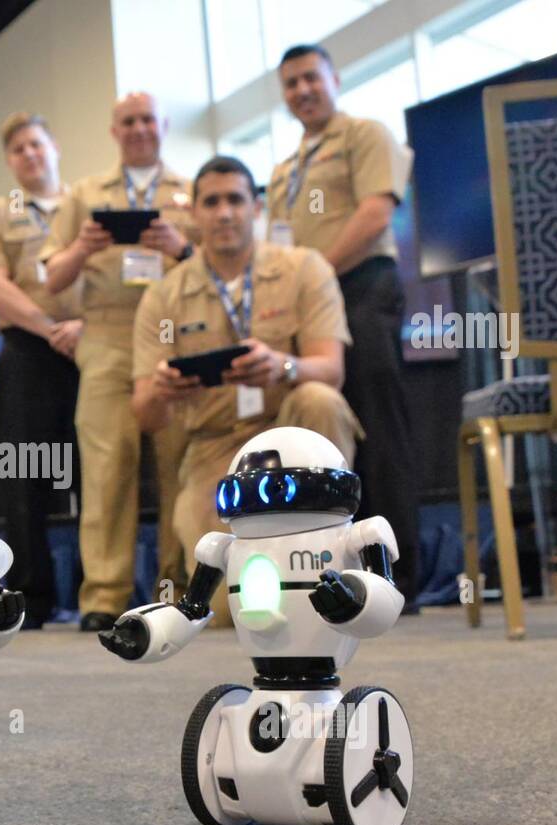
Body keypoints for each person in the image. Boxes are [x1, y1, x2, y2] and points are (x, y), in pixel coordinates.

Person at [133, 155, 361, 627]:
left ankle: (331, 552)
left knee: (320, 397)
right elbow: (145, 416)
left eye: (235, 199)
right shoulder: (163, 296)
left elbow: (331, 370)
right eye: (211, 202)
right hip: (216, 447)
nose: (224, 213)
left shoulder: (305, 268)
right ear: (194, 213)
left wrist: (283, 365)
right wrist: (162, 390)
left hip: (289, 429)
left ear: (255, 207)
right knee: (227, 609)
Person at [265, 43, 420, 607]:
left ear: (334, 77)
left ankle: (401, 577)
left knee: (380, 428)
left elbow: (376, 212)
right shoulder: (284, 169)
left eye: (311, 78)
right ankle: (341, 570)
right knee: (328, 432)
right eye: (291, 84)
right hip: (311, 306)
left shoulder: (365, 134)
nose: (302, 90)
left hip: (359, 288)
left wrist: (318, 278)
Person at [40, 92, 197, 632]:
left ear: (164, 124)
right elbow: (51, 279)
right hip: (106, 332)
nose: (138, 129)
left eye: (148, 119)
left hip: (176, 332)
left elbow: (221, 268)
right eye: (128, 121)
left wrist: (181, 247)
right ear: (113, 130)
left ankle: (179, 590)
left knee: (180, 464)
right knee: (106, 469)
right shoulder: (83, 194)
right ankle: (103, 597)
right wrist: (83, 247)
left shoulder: (193, 191)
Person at [0, 112, 83, 629]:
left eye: (36, 144)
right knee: (25, 473)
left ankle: (98, 594)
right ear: (10, 162)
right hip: (27, 352)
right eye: (18, 149)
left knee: (97, 475)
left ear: (54, 147)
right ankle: (31, 600)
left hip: (92, 348)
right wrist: (47, 327)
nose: (29, 154)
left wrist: (80, 327)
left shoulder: (87, 203)